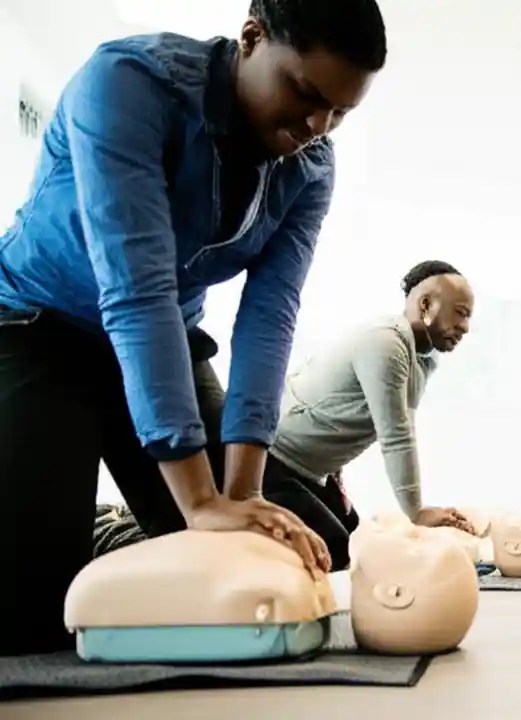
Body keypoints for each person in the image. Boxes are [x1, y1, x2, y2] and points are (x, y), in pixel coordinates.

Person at [0, 0, 387, 655]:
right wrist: (202, 504)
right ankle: (104, 527)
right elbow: (136, 287)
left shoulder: (312, 164)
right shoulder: (127, 83)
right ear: (251, 37)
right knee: (31, 614)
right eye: (304, 93)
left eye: (341, 112)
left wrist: (240, 496)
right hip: (39, 326)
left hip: (165, 339)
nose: (318, 125)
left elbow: (269, 320)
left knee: (307, 539)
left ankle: (157, 518)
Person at [92, 261, 479, 571]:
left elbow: (345, 411)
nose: (465, 327)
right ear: (425, 304)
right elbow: (396, 434)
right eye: (460, 313)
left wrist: (334, 473)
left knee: (349, 531)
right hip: (272, 459)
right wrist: (417, 512)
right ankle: (122, 530)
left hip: (307, 469)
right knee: (333, 548)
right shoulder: (385, 342)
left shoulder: (423, 359)